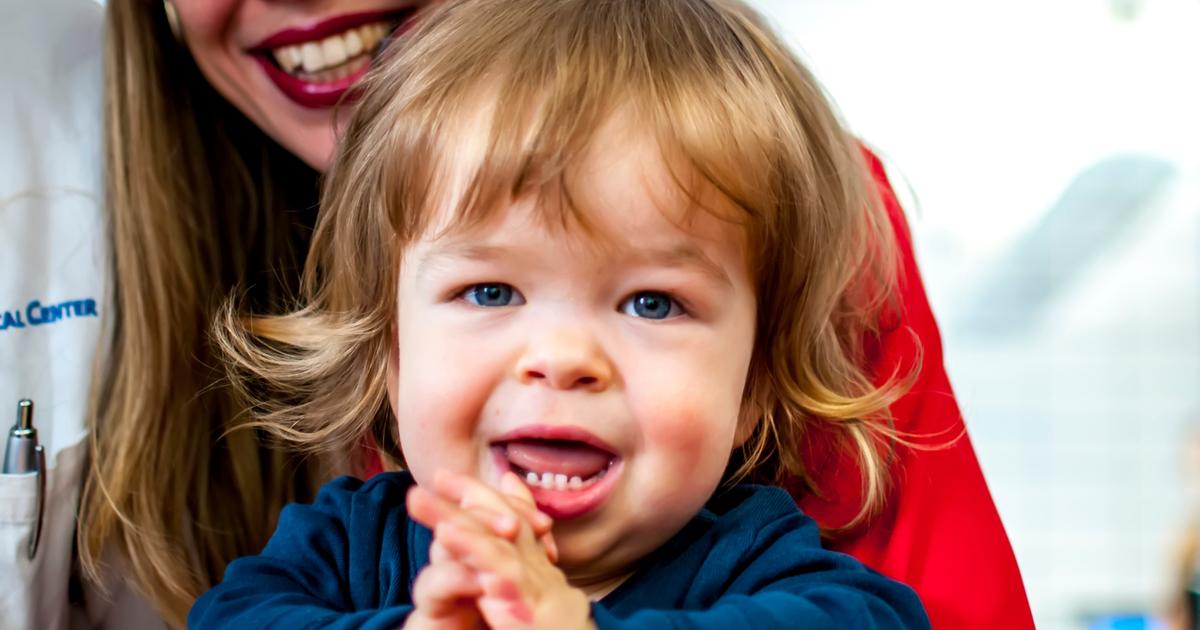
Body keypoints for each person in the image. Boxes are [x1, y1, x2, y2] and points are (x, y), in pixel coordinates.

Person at [0, 1, 1031, 629]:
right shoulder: (348, 545)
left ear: (759, 382)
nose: (563, 356)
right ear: (381, 358)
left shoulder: (762, 562)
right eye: (489, 293)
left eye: (653, 304)